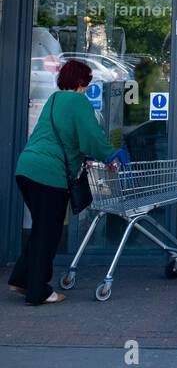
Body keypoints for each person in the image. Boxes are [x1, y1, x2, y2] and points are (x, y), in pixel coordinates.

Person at [8, 58, 118, 305]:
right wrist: (110, 154)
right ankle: (39, 291)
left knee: (41, 228)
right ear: (81, 81)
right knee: (48, 232)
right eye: (87, 83)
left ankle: (22, 278)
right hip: (49, 174)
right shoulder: (79, 102)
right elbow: (91, 137)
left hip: (26, 168)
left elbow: (62, 135)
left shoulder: (53, 100)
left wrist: (82, 154)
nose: (87, 87)